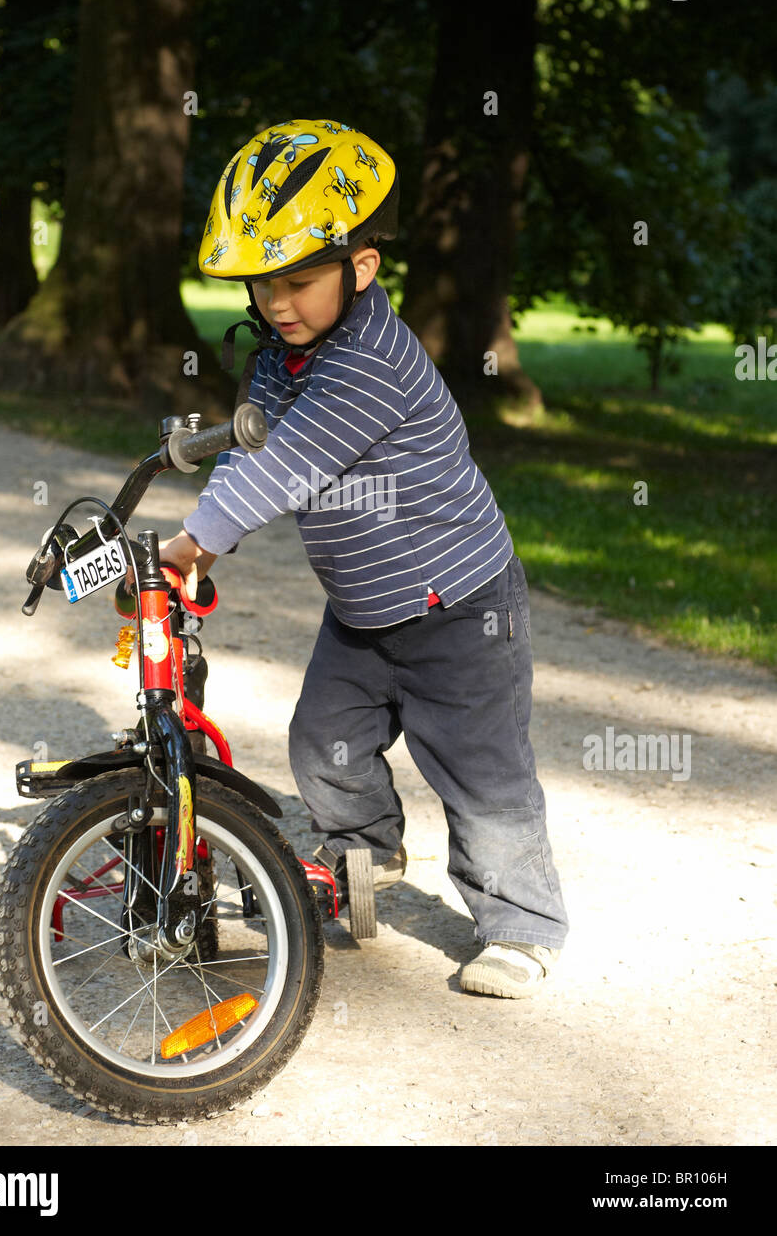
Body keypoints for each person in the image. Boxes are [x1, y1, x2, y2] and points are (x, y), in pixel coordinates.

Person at [158, 118, 569, 998]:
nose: (277, 301)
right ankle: (363, 860)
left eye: (300, 281)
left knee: (481, 771)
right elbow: (249, 446)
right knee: (323, 744)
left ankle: (522, 927)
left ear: (363, 268)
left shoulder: (370, 364)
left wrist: (195, 539)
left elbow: (290, 461)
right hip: (364, 608)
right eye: (263, 283)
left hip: (460, 604)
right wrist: (208, 538)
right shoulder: (284, 353)